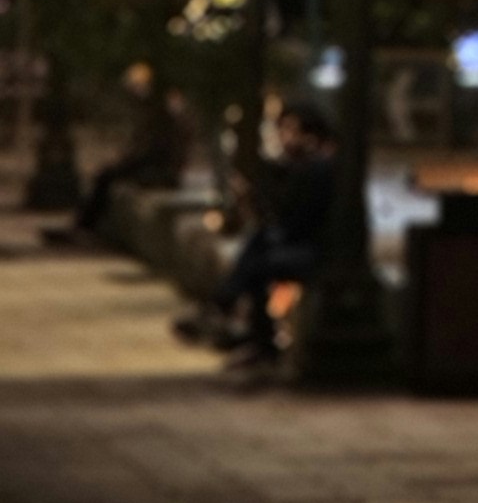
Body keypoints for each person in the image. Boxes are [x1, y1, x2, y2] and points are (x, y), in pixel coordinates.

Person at [179, 100, 337, 361]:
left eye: (290, 130)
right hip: (303, 242)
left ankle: (234, 317)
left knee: (261, 262)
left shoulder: (317, 168)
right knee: (258, 245)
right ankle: (232, 315)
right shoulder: (301, 167)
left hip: (317, 251)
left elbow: (296, 220)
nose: (283, 137)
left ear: (309, 136)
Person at [54, 63, 194, 246]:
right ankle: (84, 225)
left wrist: (126, 163)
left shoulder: (165, 118)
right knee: (106, 175)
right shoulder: (161, 115)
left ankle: (85, 227)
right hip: (154, 167)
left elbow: (153, 153)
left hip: (161, 173)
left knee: (105, 177)